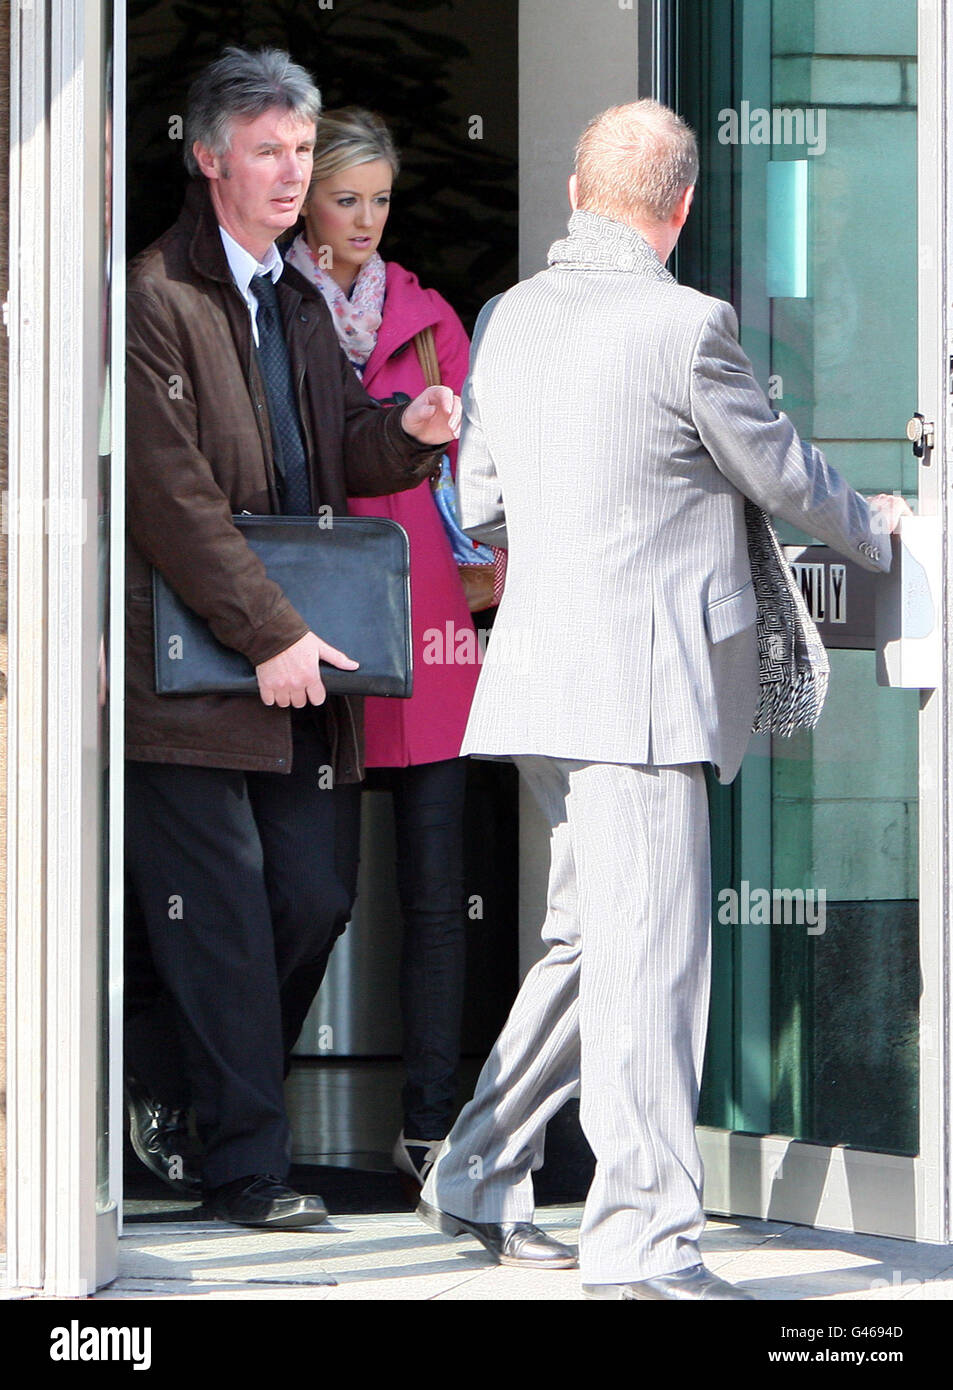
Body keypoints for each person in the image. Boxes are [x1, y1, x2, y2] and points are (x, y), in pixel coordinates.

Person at [417, 99, 908, 1297]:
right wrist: (882, 532)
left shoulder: (507, 315)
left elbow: (476, 503)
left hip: (539, 684)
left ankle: (474, 1167)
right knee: (649, 971)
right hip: (638, 698)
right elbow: (782, 474)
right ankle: (640, 1242)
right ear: (678, 209)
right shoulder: (687, 326)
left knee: (592, 948)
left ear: (581, 193)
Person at [123, 46, 459, 1228]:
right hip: (196, 672)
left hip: (299, 666)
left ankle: (171, 1078)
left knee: (313, 897)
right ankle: (248, 1167)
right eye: (268, 149)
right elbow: (169, 499)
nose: (290, 172)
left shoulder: (295, 299)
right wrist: (268, 630)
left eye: (302, 150)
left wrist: (407, 433)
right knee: (213, 917)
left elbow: (339, 450)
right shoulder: (151, 295)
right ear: (209, 155)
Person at [283, 109, 480, 1187]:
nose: (363, 220)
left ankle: (429, 1125)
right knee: (305, 888)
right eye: (344, 198)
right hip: (309, 625)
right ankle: (234, 1106)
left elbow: (470, 477)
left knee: (436, 892)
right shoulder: (268, 306)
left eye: (378, 201)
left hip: (428, 627)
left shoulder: (431, 317)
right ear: (308, 198)